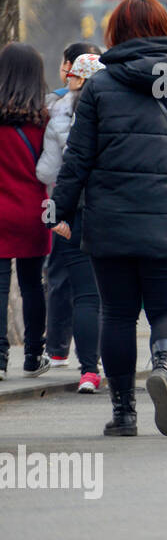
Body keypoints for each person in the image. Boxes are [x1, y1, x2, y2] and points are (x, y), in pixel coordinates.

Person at [51, 0, 167, 436]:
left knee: (118, 314)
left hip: (111, 220)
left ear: (116, 35)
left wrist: (60, 209)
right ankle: (164, 365)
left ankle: (124, 412)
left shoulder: (100, 87)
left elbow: (77, 158)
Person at [36, 52, 106, 392]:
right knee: (113, 294)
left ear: (77, 79)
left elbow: (48, 172)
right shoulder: (116, 110)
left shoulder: (60, 115)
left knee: (85, 296)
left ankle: (88, 371)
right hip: (113, 213)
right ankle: (113, 363)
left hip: (73, 213)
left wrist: (56, 215)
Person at [0, 43, 53, 381]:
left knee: (0, 285)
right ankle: (34, 354)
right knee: (34, 285)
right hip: (34, 214)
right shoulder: (45, 120)